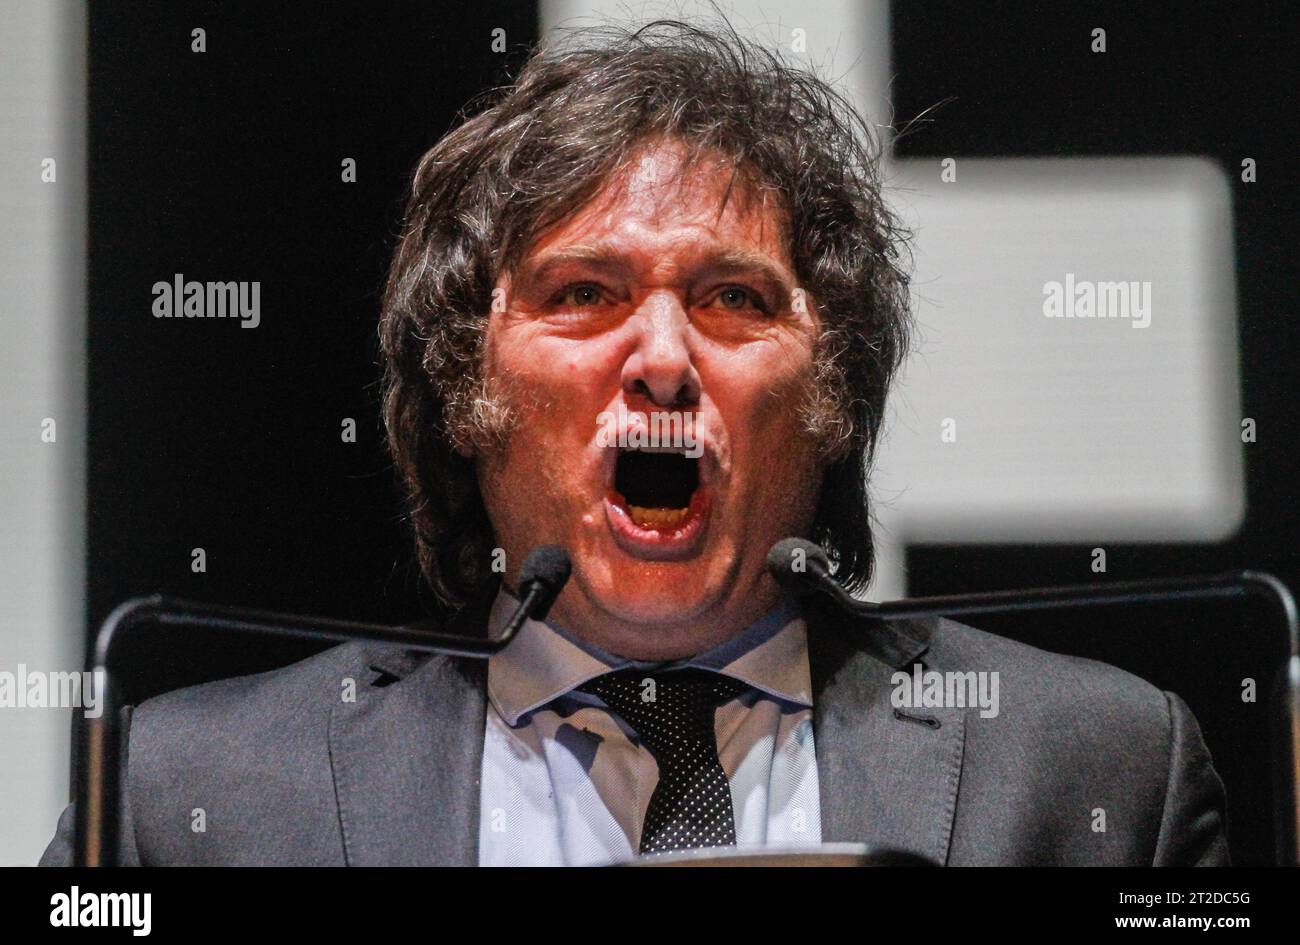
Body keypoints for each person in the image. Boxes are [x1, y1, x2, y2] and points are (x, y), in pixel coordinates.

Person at [41, 19, 1227, 866]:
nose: (663, 354)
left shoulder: (1098, 769)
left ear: (829, 400)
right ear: (468, 388)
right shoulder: (187, 799)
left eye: (734, 299)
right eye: (584, 293)